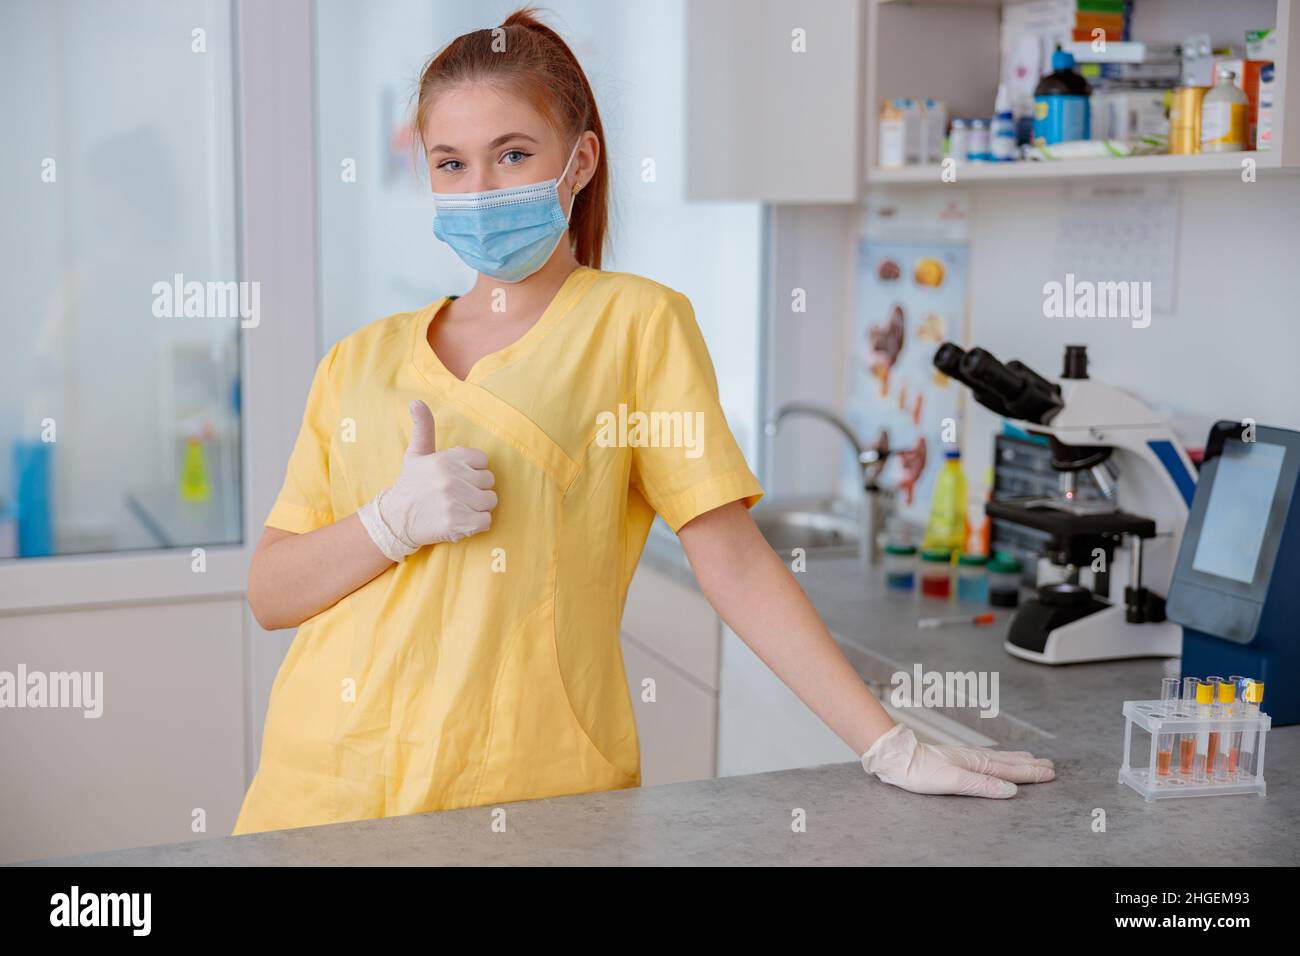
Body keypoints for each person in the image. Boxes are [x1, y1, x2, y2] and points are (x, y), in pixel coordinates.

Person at [234, 7, 1053, 835]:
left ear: (579, 159)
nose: (480, 191)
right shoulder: (357, 360)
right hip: (322, 791)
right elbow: (272, 592)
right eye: (452, 164)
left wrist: (889, 744)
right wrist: (388, 523)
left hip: (525, 798)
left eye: (513, 154)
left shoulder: (635, 326)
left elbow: (731, 560)